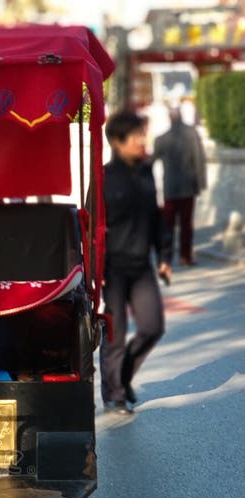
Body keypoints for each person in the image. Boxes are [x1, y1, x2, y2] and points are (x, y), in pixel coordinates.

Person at [100, 110, 172, 415]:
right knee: (115, 335)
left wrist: (164, 256)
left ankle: (124, 376)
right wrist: (94, 269)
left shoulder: (146, 172)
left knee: (153, 327)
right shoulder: (103, 177)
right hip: (112, 268)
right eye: (136, 136)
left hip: (142, 265)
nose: (142, 140)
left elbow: (156, 217)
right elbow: (92, 227)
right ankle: (114, 394)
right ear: (117, 141)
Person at [152, 105, 206, 266]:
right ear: (181, 116)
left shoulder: (161, 139)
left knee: (168, 224)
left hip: (169, 188)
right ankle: (185, 256)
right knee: (186, 224)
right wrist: (201, 183)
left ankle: (166, 258)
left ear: (170, 118)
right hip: (188, 187)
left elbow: (151, 161)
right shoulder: (192, 134)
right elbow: (199, 159)